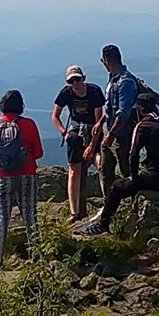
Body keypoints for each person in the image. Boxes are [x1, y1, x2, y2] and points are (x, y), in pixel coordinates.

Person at [80, 93, 159, 236]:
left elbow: (133, 155)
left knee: (116, 187)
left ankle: (103, 224)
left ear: (139, 110)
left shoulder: (143, 126)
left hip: (157, 179)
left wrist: (134, 178)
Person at [0, 90, 44, 266]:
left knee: (2, 218)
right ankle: (35, 257)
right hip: (27, 175)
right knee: (30, 215)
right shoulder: (29, 124)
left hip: (3, 177)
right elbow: (38, 153)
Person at [52, 64, 105, 222]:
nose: (75, 83)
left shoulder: (94, 91)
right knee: (74, 170)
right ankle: (74, 212)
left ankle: (107, 203)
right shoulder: (66, 93)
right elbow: (55, 115)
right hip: (75, 133)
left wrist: (91, 146)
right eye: (71, 81)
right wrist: (64, 133)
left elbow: (98, 123)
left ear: (83, 78)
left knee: (101, 163)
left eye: (77, 79)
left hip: (93, 130)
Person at [94, 45, 138, 200]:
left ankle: (133, 202)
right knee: (105, 169)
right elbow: (111, 108)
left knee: (126, 170)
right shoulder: (114, 79)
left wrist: (112, 134)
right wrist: (101, 122)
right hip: (111, 131)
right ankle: (109, 203)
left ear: (106, 60)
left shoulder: (125, 82)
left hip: (122, 135)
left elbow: (124, 112)